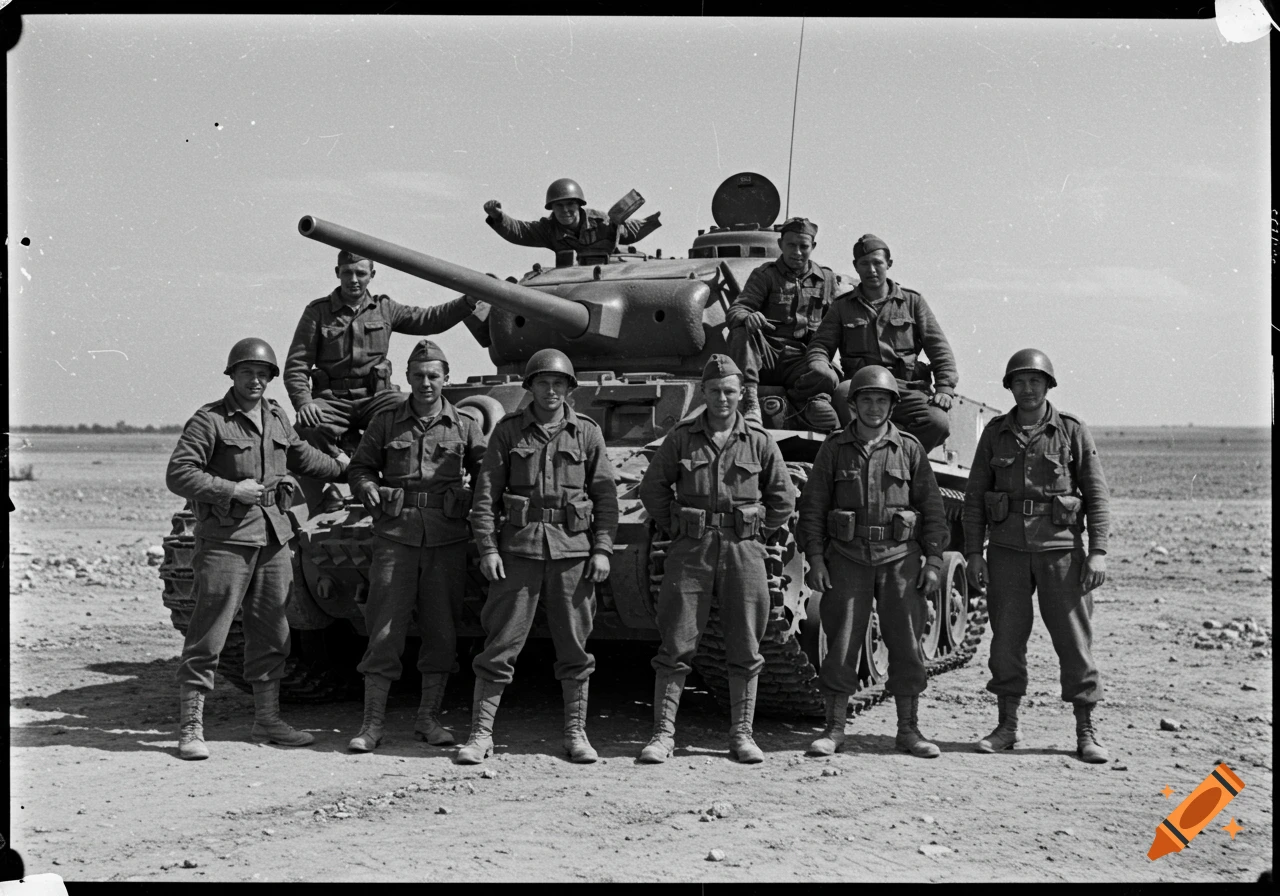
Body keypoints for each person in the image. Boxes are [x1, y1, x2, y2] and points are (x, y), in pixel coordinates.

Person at [166, 337, 347, 760]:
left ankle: (267, 720)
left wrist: (345, 469)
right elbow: (179, 473)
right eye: (247, 372)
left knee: (273, 630)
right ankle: (192, 726)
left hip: (274, 538)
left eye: (263, 374)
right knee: (210, 631)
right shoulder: (210, 420)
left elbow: (301, 457)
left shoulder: (276, 417)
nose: (256, 380)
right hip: (227, 541)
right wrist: (231, 488)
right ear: (232, 375)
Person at [457, 349, 619, 764]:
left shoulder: (586, 432)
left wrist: (602, 549)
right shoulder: (509, 431)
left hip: (572, 553)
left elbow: (605, 498)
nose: (551, 390)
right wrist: (488, 548)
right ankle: (480, 735)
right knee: (500, 644)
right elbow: (485, 497)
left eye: (559, 383)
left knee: (574, 649)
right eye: (543, 383)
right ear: (529, 387)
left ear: (569, 389)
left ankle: (575, 733)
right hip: (518, 552)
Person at [636, 354, 795, 764]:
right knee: (676, 642)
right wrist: (677, 524)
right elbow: (652, 488)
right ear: (703, 393)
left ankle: (742, 735)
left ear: (741, 394)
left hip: (744, 550)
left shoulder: (759, 441)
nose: (722, 398)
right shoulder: (682, 437)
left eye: (729, 391)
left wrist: (757, 532)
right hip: (691, 550)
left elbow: (783, 498)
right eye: (714, 391)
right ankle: (662, 735)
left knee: (745, 644)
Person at [962, 349, 1111, 763]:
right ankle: (1007, 726)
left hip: (1060, 551)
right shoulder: (994, 433)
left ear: (1048, 386)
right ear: (1009, 386)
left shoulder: (1070, 431)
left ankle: (1086, 730)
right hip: (1007, 551)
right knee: (1006, 641)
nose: (1028, 389)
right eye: (1020, 381)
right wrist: (974, 553)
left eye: (1036, 381)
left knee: (1074, 641)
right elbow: (975, 498)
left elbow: (1096, 494)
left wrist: (1097, 551)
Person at [798, 365, 949, 759]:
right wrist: (815, 557)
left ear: (892, 405)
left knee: (905, 643)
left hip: (900, 559)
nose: (874, 407)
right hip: (847, 557)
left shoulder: (910, 448)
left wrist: (933, 560)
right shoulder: (834, 448)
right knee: (842, 643)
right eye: (866, 399)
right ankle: (833, 729)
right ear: (853, 404)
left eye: (882, 400)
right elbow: (813, 507)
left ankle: (908, 730)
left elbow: (932, 508)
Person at [344, 340, 488, 753]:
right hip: (396, 536)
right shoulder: (388, 421)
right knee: (384, 628)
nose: (426, 383)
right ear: (407, 377)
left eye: (434, 376)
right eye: (419, 375)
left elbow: (485, 472)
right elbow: (361, 466)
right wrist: (367, 486)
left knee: (441, 631)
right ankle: (372, 725)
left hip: (446, 538)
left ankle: (428, 719)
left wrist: (480, 505)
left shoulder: (462, 425)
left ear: (447, 378)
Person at [283, 249, 483, 511]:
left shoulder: (385, 309)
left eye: (360, 273)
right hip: (333, 401)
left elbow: (428, 319)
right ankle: (340, 473)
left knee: (406, 411)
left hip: (376, 397)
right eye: (347, 273)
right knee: (308, 425)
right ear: (337, 274)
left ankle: (396, 477)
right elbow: (296, 365)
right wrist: (303, 402)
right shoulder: (317, 312)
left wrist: (466, 303)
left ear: (372, 275)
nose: (353, 279)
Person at [804, 234, 958, 453]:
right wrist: (820, 366)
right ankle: (858, 458)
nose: (872, 270)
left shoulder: (912, 302)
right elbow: (820, 346)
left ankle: (900, 459)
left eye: (877, 263)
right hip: (859, 386)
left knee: (937, 422)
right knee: (843, 395)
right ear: (856, 267)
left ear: (889, 264)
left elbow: (939, 348)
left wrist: (945, 387)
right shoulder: (842, 307)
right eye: (865, 264)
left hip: (905, 387)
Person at [724, 217, 845, 431]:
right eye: (791, 245)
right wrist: (748, 317)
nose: (797, 252)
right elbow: (737, 310)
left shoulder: (825, 279)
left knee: (826, 376)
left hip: (802, 358)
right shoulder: (765, 275)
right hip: (767, 355)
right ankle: (751, 400)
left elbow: (840, 322)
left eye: (803, 246)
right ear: (780, 245)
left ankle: (795, 402)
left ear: (813, 247)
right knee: (740, 330)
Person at [483, 178, 662, 265]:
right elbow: (520, 232)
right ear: (552, 209)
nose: (565, 210)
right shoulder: (549, 229)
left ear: (579, 205)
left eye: (570, 204)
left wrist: (651, 222)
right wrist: (498, 217)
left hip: (610, 276)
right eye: (559, 206)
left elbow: (629, 232)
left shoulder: (602, 222)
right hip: (574, 282)